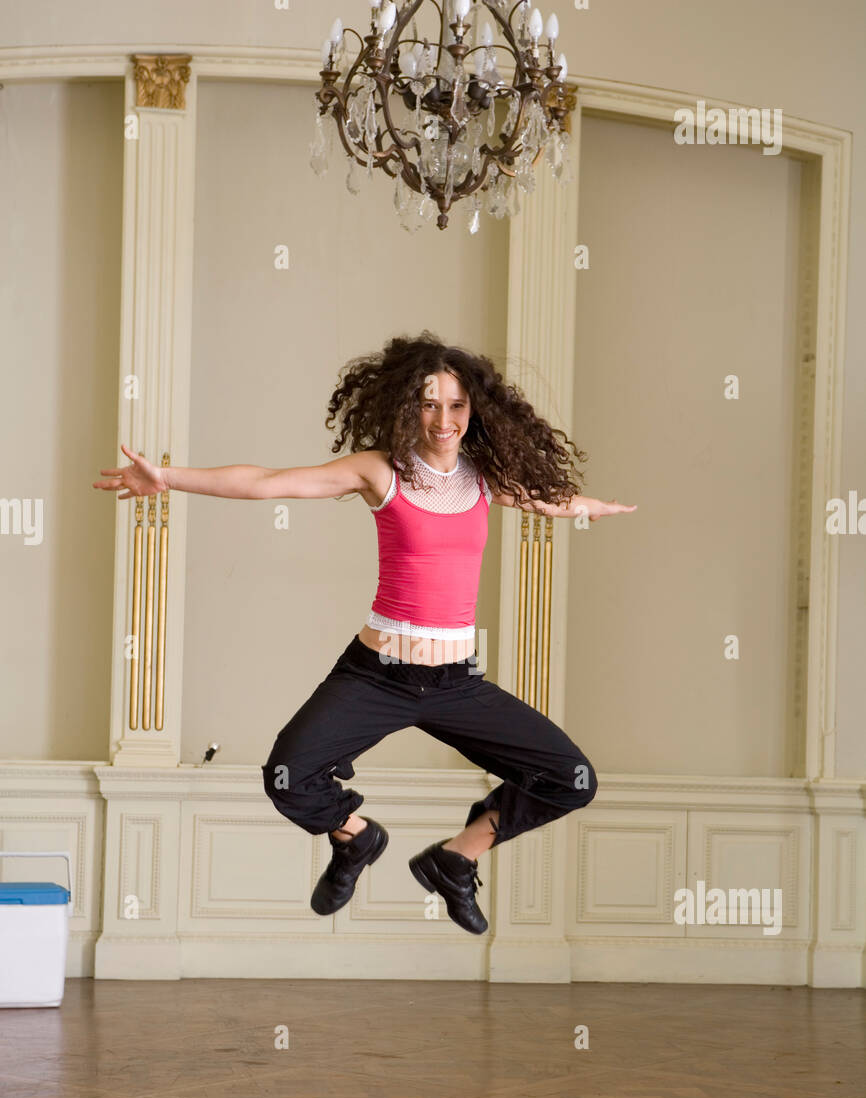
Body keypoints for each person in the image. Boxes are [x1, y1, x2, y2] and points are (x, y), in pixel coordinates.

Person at [95, 330, 636, 934]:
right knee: (287, 777)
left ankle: (457, 859)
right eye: (429, 403)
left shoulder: (485, 478)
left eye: (456, 405)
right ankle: (355, 838)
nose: (443, 419)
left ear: (474, 409)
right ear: (408, 406)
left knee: (573, 779)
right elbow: (272, 480)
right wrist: (168, 478)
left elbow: (546, 499)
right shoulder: (382, 471)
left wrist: (593, 506)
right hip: (376, 675)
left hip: (457, 682)